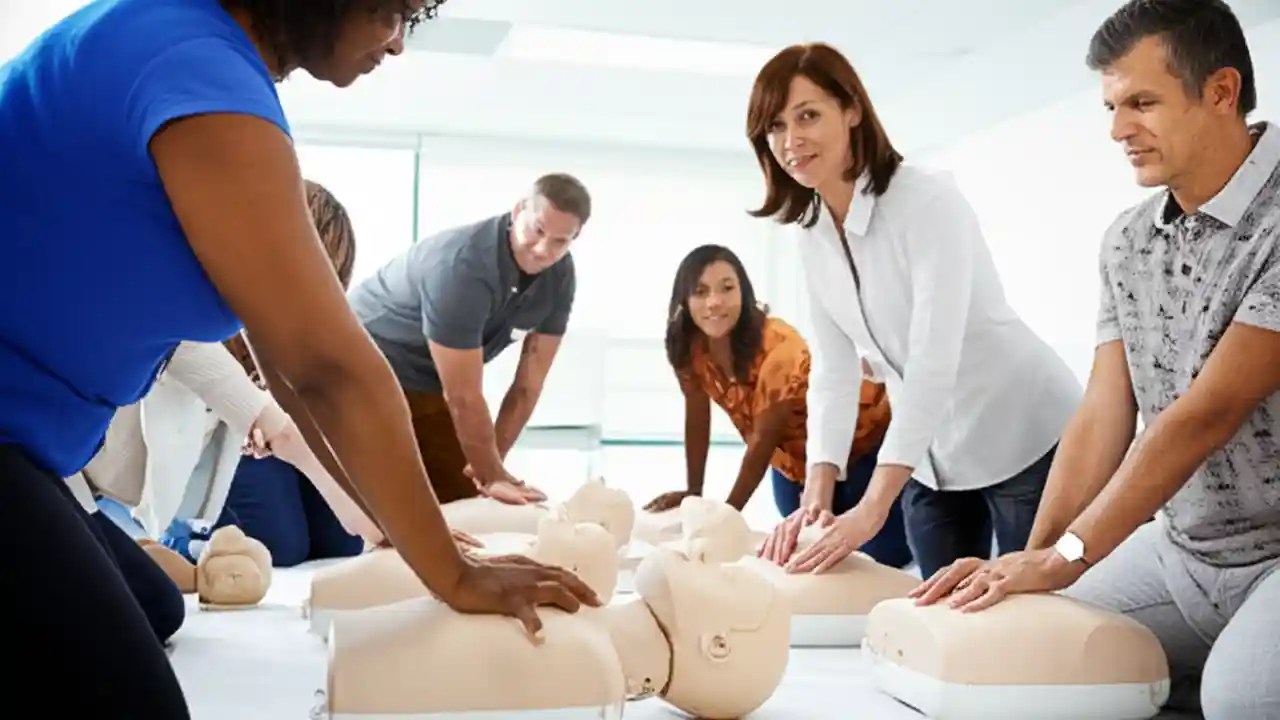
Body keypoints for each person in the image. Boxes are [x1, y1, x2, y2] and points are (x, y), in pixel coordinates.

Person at [0, 1, 596, 716]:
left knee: (153, 608)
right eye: (394, 13)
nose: (398, 44)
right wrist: (453, 573)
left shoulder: (192, 52)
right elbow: (327, 369)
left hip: (34, 447)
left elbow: (286, 364)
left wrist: (405, 537)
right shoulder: (195, 67)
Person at [911, 2, 1279, 717]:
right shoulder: (1126, 241)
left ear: (1222, 91)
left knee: (1237, 703)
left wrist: (1071, 554)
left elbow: (1206, 415)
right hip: (1184, 556)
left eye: (1142, 102)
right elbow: (1104, 412)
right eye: (1112, 106)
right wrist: (1034, 559)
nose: (1117, 130)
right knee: (1020, 639)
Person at [746, 43, 1083, 579]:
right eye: (775, 126)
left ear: (852, 110)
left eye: (808, 115)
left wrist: (874, 507)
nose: (792, 141)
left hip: (1023, 435)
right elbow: (832, 370)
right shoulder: (811, 231)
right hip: (931, 453)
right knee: (940, 618)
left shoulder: (926, 203)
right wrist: (818, 489)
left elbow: (932, 358)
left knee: (1030, 619)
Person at [644, 244, 912, 569]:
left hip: (862, 445)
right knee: (806, 552)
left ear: (744, 292)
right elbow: (697, 414)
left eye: (727, 289)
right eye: (700, 292)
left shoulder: (779, 345)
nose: (714, 302)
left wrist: (722, 520)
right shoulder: (689, 344)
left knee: (879, 558)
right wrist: (693, 493)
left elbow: (762, 440)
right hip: (791, 464)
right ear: (684, 300)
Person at [349, 174, 589, 507]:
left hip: (429, 383)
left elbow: (527, 387)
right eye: (538, 230)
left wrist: (492, 473)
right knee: (391, 503)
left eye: (561, 241)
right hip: (366, 367)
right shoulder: (463, 265)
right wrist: (489, 474)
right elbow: (462, 395)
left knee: (463, 496)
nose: (544, 250)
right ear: (519, 209)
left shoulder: (559, 278)